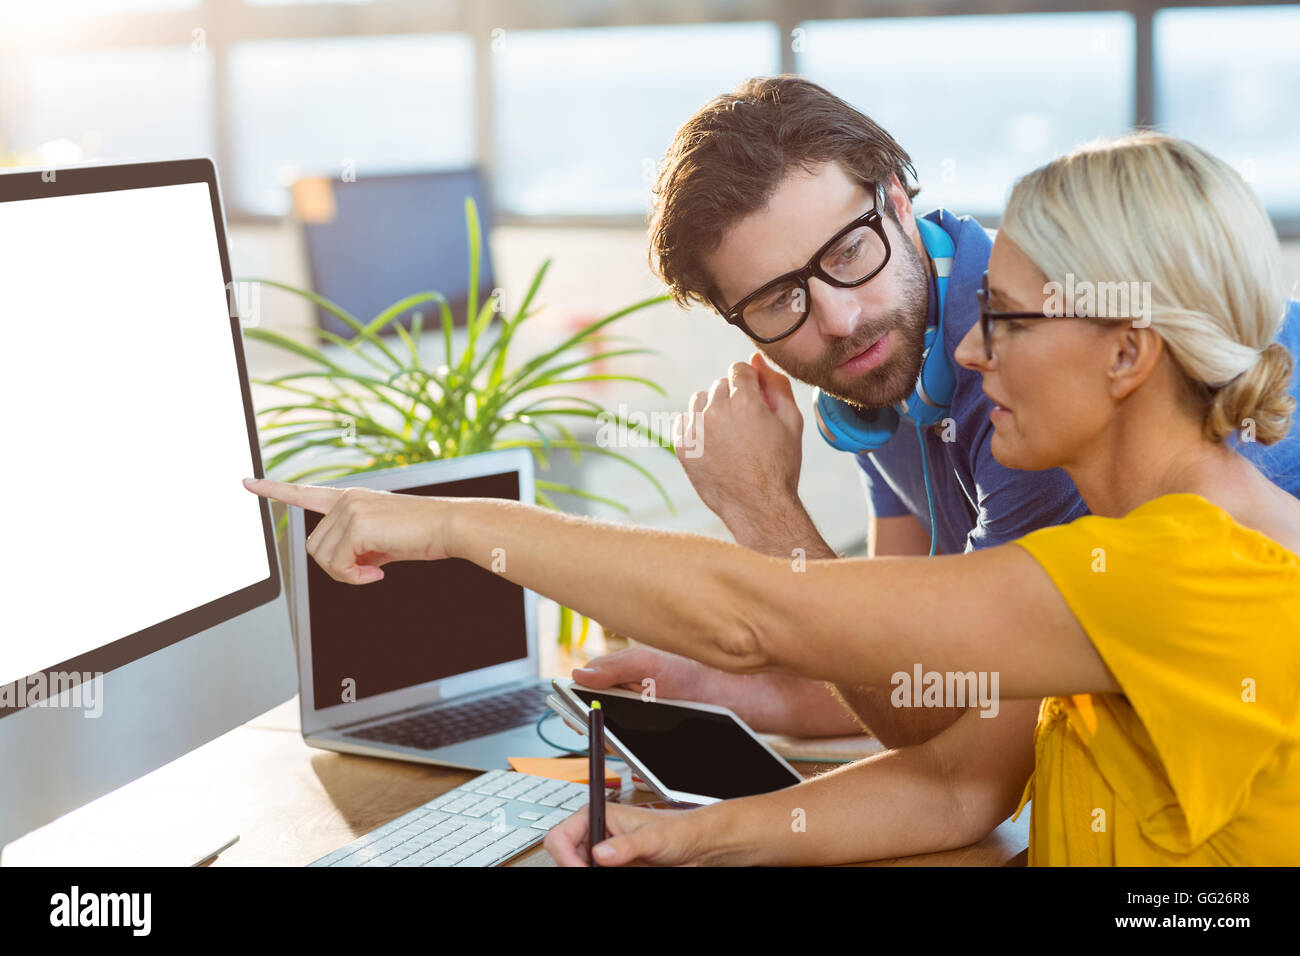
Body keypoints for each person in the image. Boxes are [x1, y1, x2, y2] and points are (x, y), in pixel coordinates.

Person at [245, 132, 1300, 865]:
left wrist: (452, 524)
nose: (972, 350)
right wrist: (687, 836)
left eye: (1009, 319)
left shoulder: (1177, 567)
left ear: (1126, 350)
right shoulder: (1124, 544)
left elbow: (759, 614)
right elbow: (957, 783)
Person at [572, 75, 1300, 751]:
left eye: (849, 249)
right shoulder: (879, 364)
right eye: (777, 299)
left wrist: (761, 507)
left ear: (896, 196)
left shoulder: (1039, 379)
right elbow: (898, 666)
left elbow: (944, 717)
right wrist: (719, 689)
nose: (838, 317)